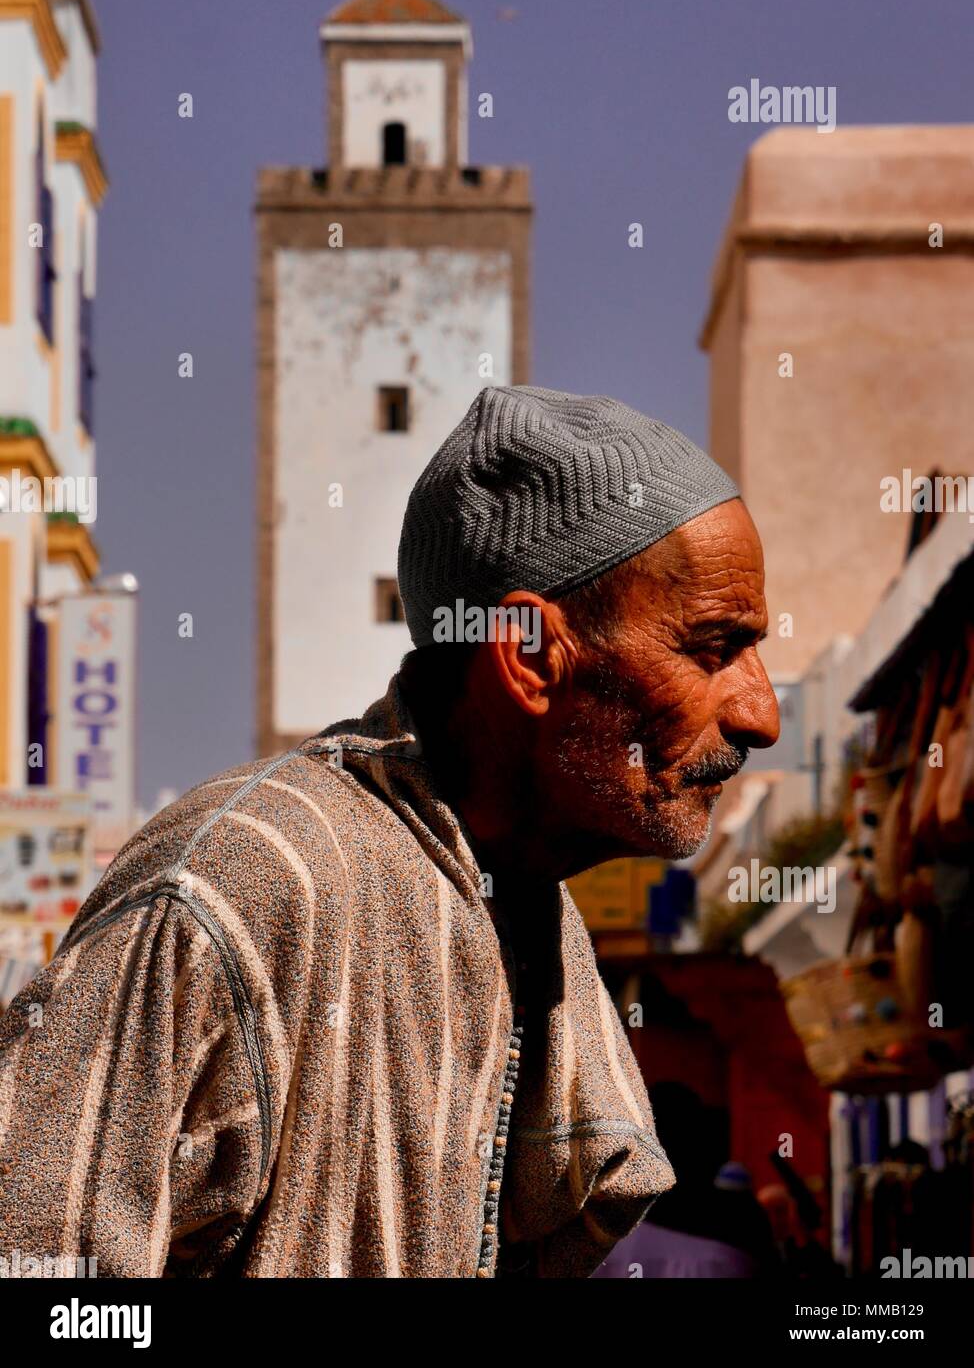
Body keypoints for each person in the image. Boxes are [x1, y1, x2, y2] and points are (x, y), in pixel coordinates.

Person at [0, 385, 779, 1277]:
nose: (761, 716)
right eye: (714, 648)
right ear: (529, 655)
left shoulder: (526, 906)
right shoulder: (233, 891)